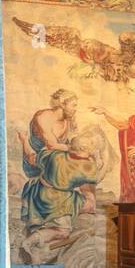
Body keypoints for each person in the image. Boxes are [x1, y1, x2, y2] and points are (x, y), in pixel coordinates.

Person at [15, 89, 109, 228]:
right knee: (83, 160)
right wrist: (83, 152)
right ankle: (70, 205)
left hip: (58, 157)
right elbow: (51, 145)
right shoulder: (44, 117)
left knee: (86, 161)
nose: (75, 109)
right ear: (62, 104)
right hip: (40, 159)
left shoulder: (68, 120)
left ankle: (90, 201)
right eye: (73, 105)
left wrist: (89, 150)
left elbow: (75, 139)